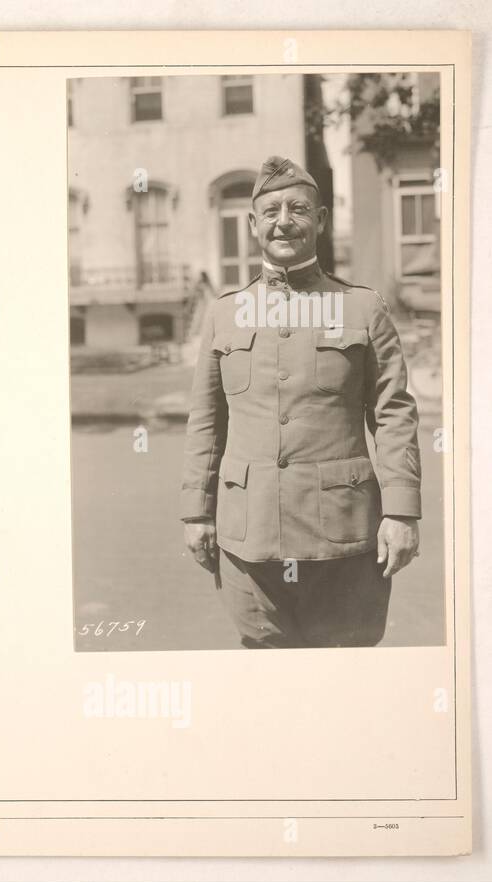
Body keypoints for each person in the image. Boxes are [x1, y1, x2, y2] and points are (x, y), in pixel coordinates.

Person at [180, 155, 421, 648]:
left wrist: (401, 513)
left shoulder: (362, 308)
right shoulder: (224, 314)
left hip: (345, 540)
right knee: (268, 674)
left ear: (321, 219)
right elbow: (206, 421)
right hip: (249, 539)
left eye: (298, 209)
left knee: (346, 670)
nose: (284, 222)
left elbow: (394, 413)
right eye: (270, 212)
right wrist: (197, 512)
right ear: (253, 224)